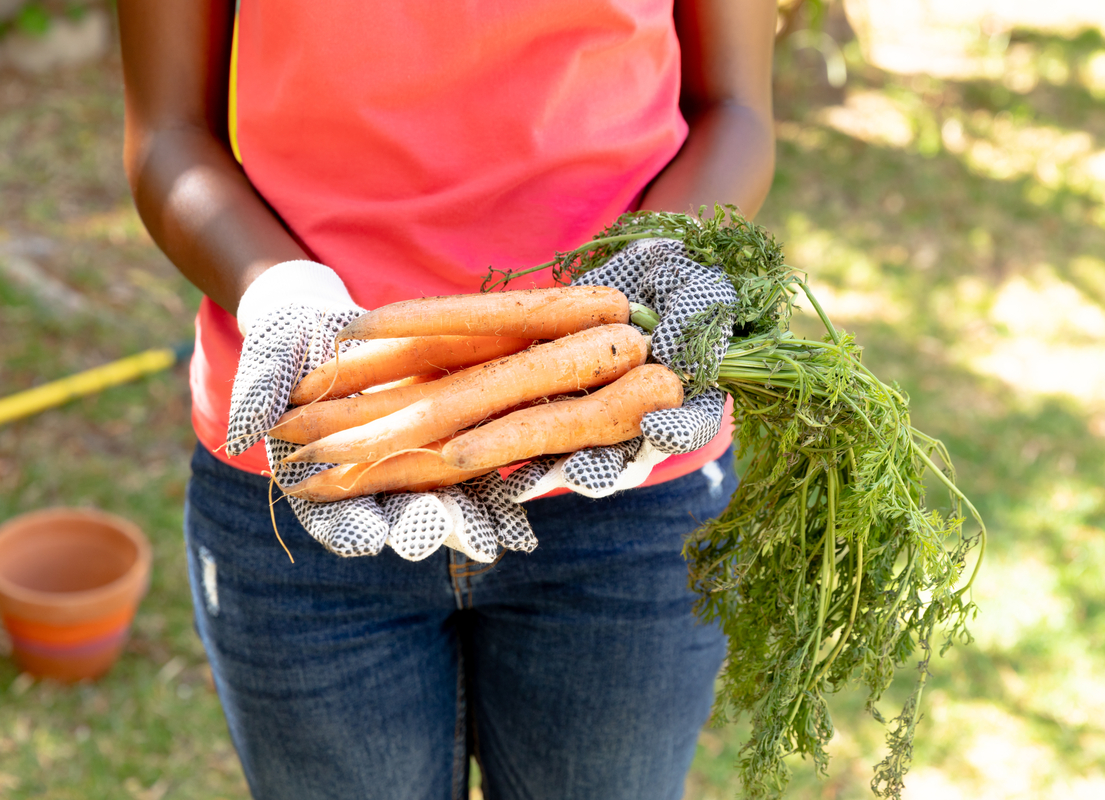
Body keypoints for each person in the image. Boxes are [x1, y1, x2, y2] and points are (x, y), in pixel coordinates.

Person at [115, 1, 775, 798]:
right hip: (311, 448)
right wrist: (282, 296)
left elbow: (735, 106)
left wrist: (671, 253)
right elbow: (168, 133)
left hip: (631, 471)